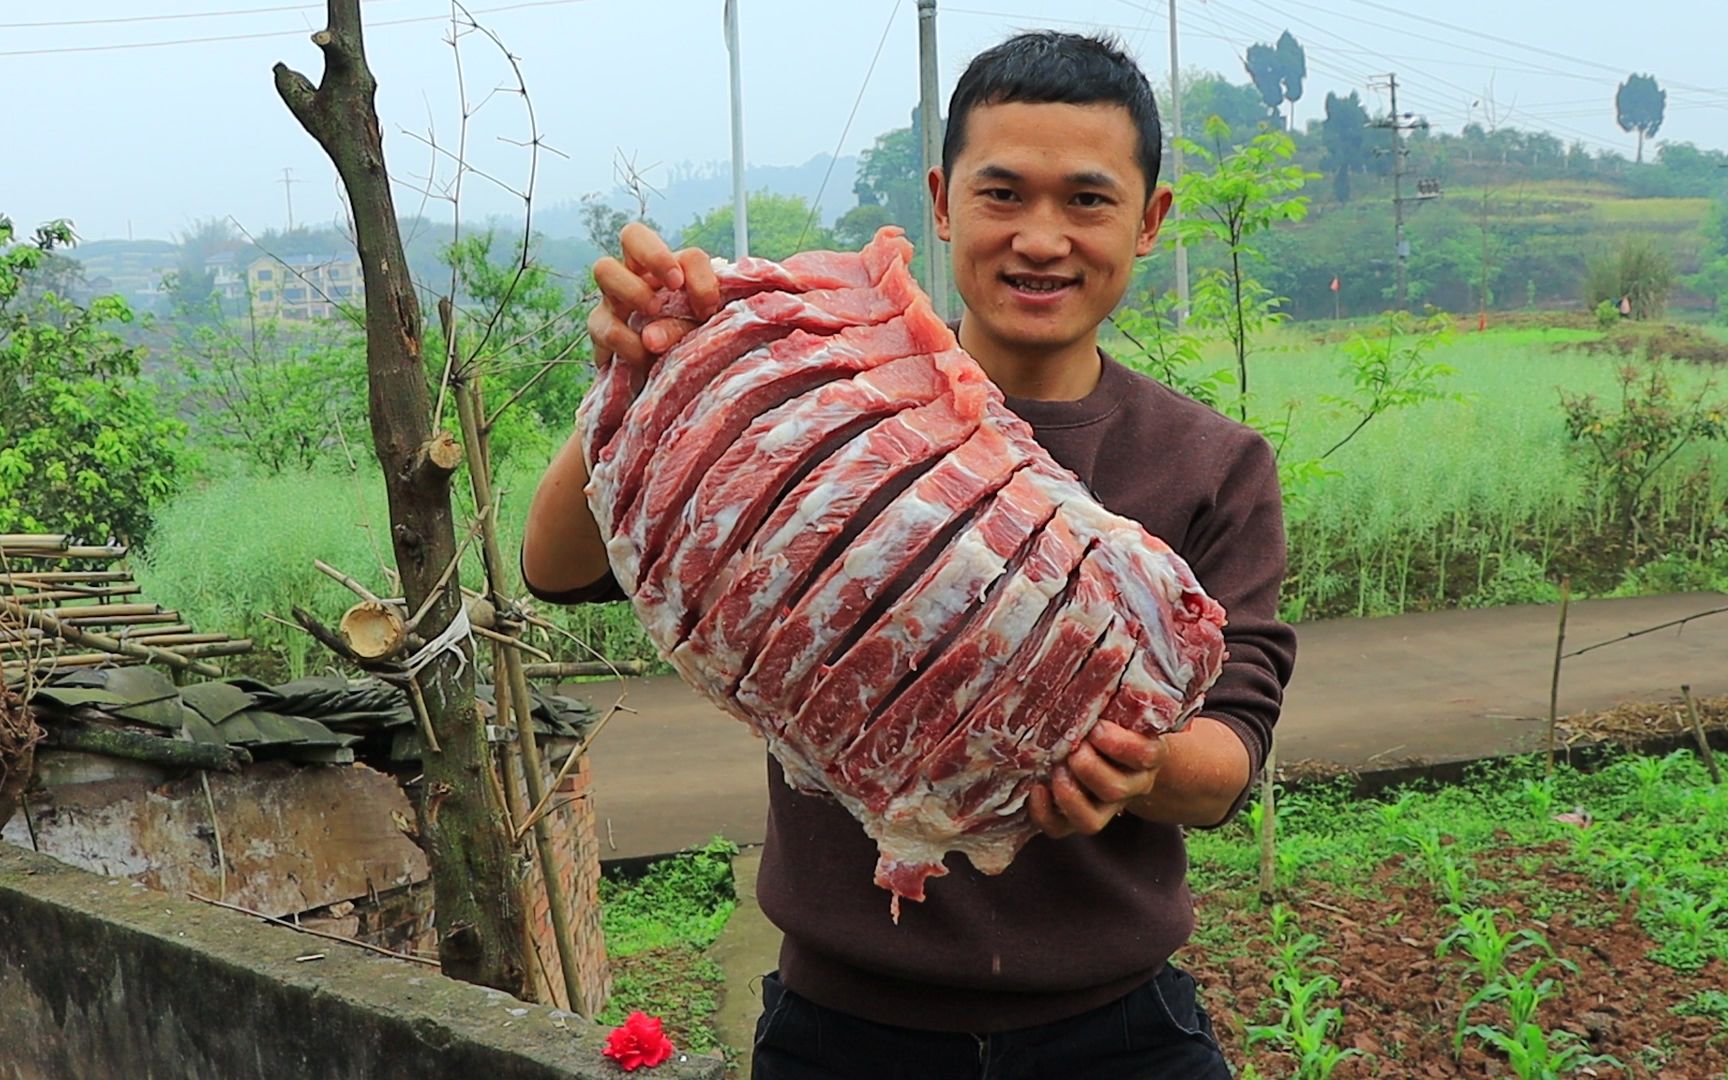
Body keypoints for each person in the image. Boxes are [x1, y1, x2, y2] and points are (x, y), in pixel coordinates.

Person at [523, 31, 1296, 1079]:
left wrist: (1139, 767)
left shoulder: (1214, 464)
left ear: (1151, 219)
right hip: (842, 1031)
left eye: (1087, 200)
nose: (1041, 237)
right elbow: (557, 566)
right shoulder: (826, 394)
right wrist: (646, 371)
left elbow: (1226, 763)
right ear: (941, 202)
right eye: (1003, 193)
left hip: (1116, 1034)